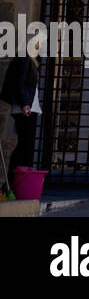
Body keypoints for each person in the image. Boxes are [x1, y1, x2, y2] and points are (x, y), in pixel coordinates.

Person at [1, 41, 40, 191]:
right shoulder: (24, 58)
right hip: (25, 108)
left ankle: (17, 180)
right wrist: (24, 104)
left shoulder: (30, 59)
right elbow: (20, 83)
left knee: (25, 145)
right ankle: (13, 181)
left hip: (29, 107)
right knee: (24, 146)